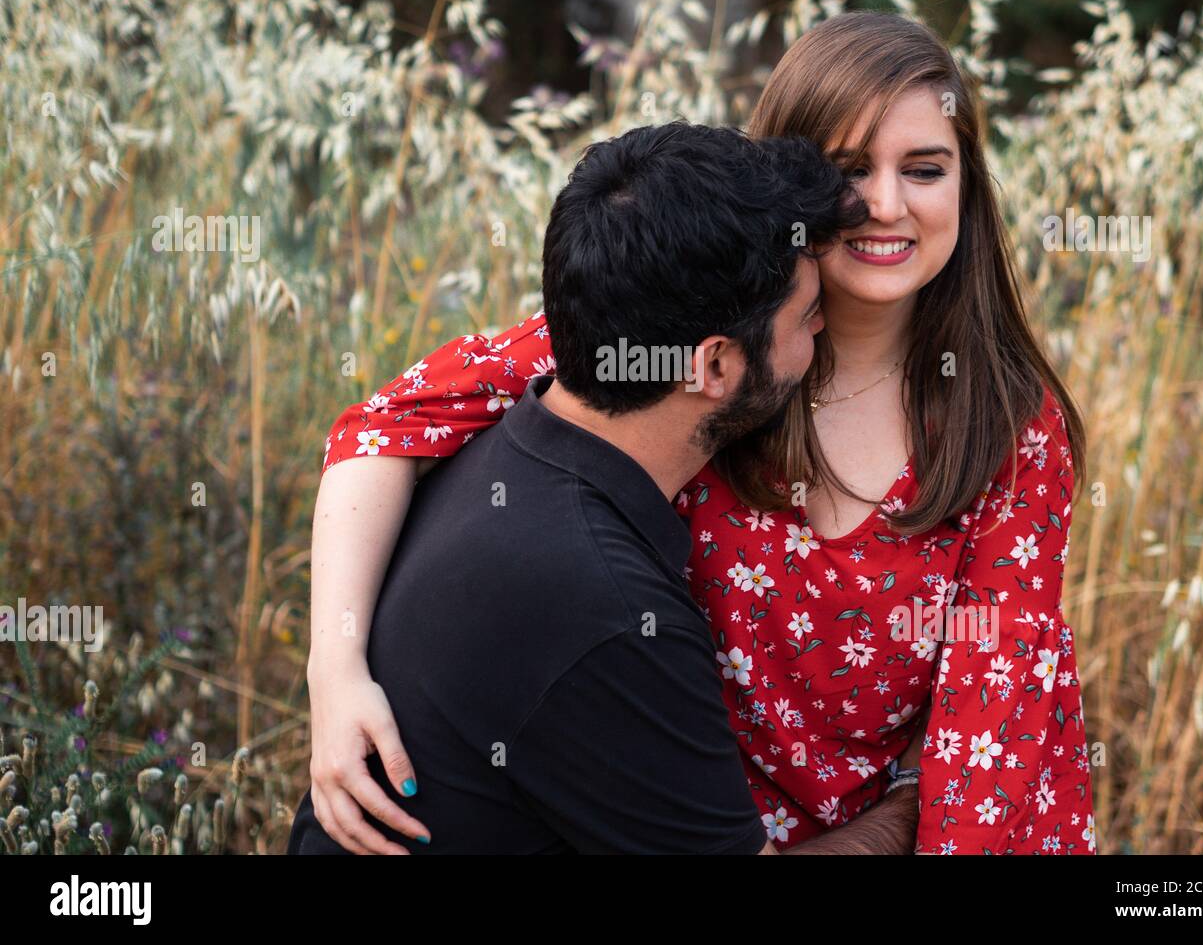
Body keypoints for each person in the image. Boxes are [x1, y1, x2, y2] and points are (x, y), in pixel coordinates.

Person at [307, 12, 1098, 855]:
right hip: (657, 820)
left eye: (925, 168)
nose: (885, 204)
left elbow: (989, 721)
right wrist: (336, 667)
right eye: (849, 169)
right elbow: (390, 423)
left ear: (967, 186)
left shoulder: (1008, 426)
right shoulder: (697, 321)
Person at [290, 121, 926, 853]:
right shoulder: (609, 612)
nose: (823, 333)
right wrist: (910, 797)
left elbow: (377, 424)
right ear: (712, 367)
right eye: (809, 317)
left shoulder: (496, 446)